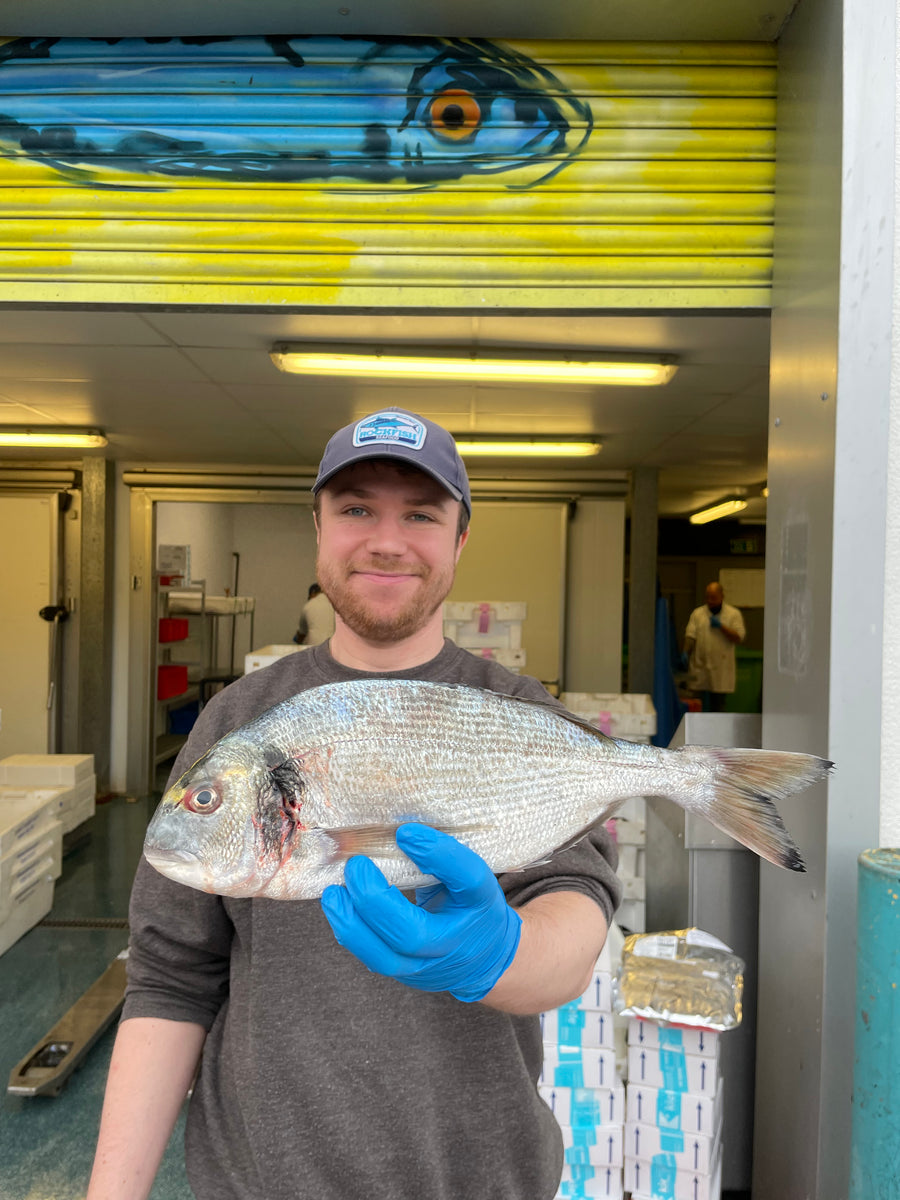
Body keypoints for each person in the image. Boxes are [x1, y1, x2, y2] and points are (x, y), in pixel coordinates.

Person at [87, 407, 621, 1200]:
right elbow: (170, 978)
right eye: (357, 508)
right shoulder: (239, 722)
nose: (386, 539)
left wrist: (496, 954)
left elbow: (575, 927)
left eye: (421, 514)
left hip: (478, 1179)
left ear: (460, 539)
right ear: (318, 527)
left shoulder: (519, 712)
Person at [683, 580, 746, 712]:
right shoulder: (698, 614)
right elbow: (690, 636)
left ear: (722, 596)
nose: (710, 601)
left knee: (718, 708)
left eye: (714, 598)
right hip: (700, 667)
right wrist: (685, 652)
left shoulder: (733, 614)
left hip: (721, 670)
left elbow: (739, 637)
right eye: (708, 597)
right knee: (695, 705)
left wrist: (722, 627)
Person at [294, 580, 335, 645]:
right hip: (333, 646)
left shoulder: (308, 605)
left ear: (312, 593)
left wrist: (296, 639)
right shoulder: (335, 606)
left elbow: (301, 633)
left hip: (313, 646)